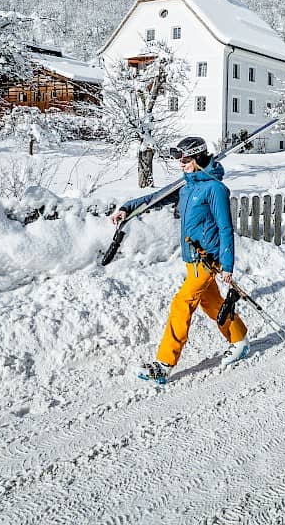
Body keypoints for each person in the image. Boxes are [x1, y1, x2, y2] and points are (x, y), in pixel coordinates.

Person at [111, 135, 249, 384]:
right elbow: (155, 198)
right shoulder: (187, 186)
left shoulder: (214, 188)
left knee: (181, 302)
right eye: (179, 158)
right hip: (192, 259)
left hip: (207, 259)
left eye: (185, 158)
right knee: (212, 303)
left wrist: (227, 266)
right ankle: (239, 339)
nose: (180, 163)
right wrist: (126, 208)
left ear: (197, 158)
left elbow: (225, 228)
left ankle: (164, 364)